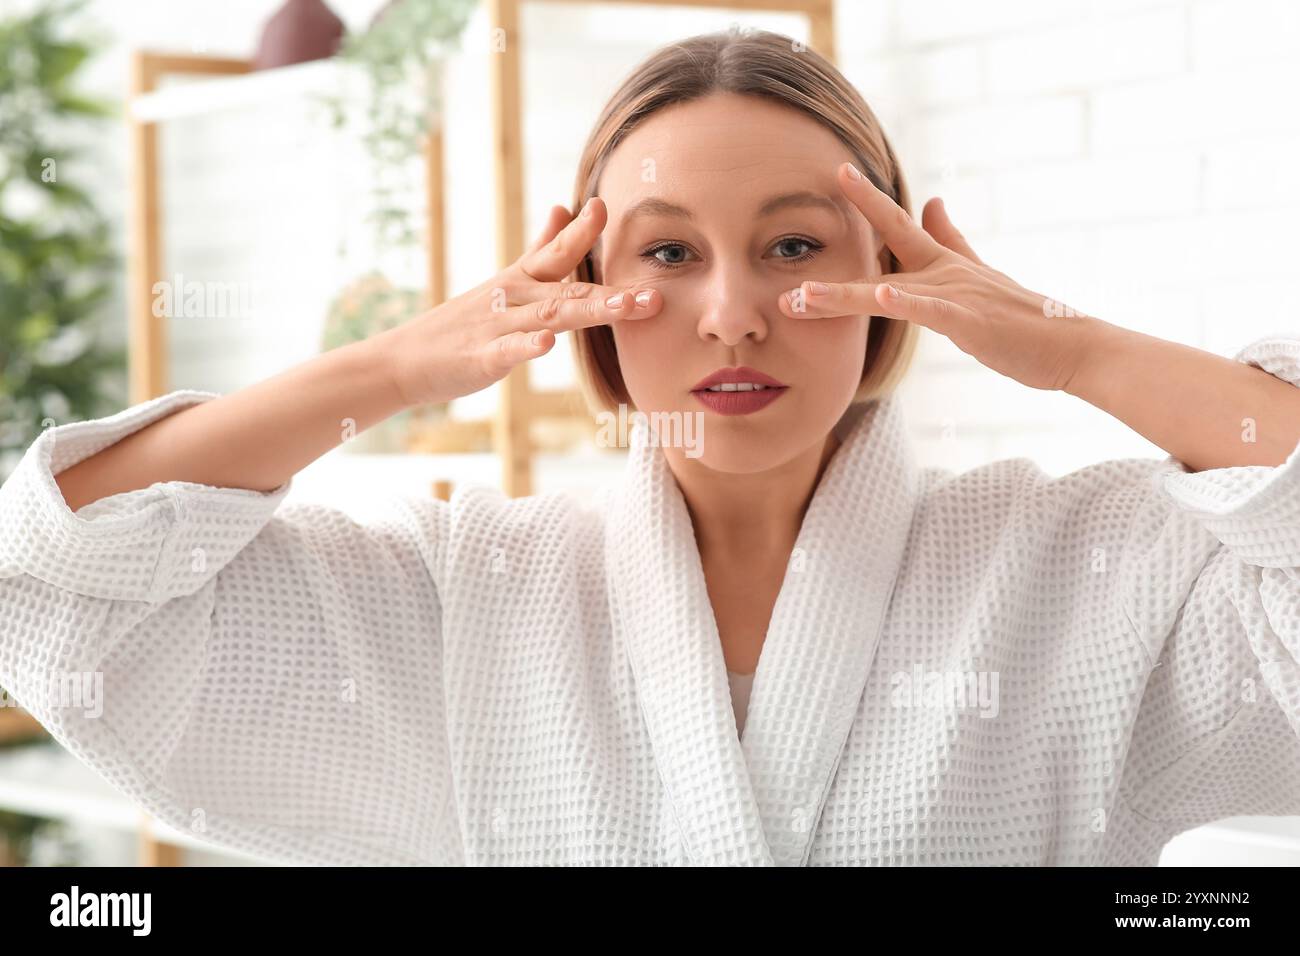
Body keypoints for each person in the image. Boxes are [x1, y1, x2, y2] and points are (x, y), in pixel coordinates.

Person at [2, 28, 1299, 866]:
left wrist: (1068, 347)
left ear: (901, 268)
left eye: (795, 244)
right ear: (583, 288)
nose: (731, 312)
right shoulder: (466, 598)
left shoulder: (1075, 573)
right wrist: (395, 367)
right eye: (668, 253)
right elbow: (49, 587)